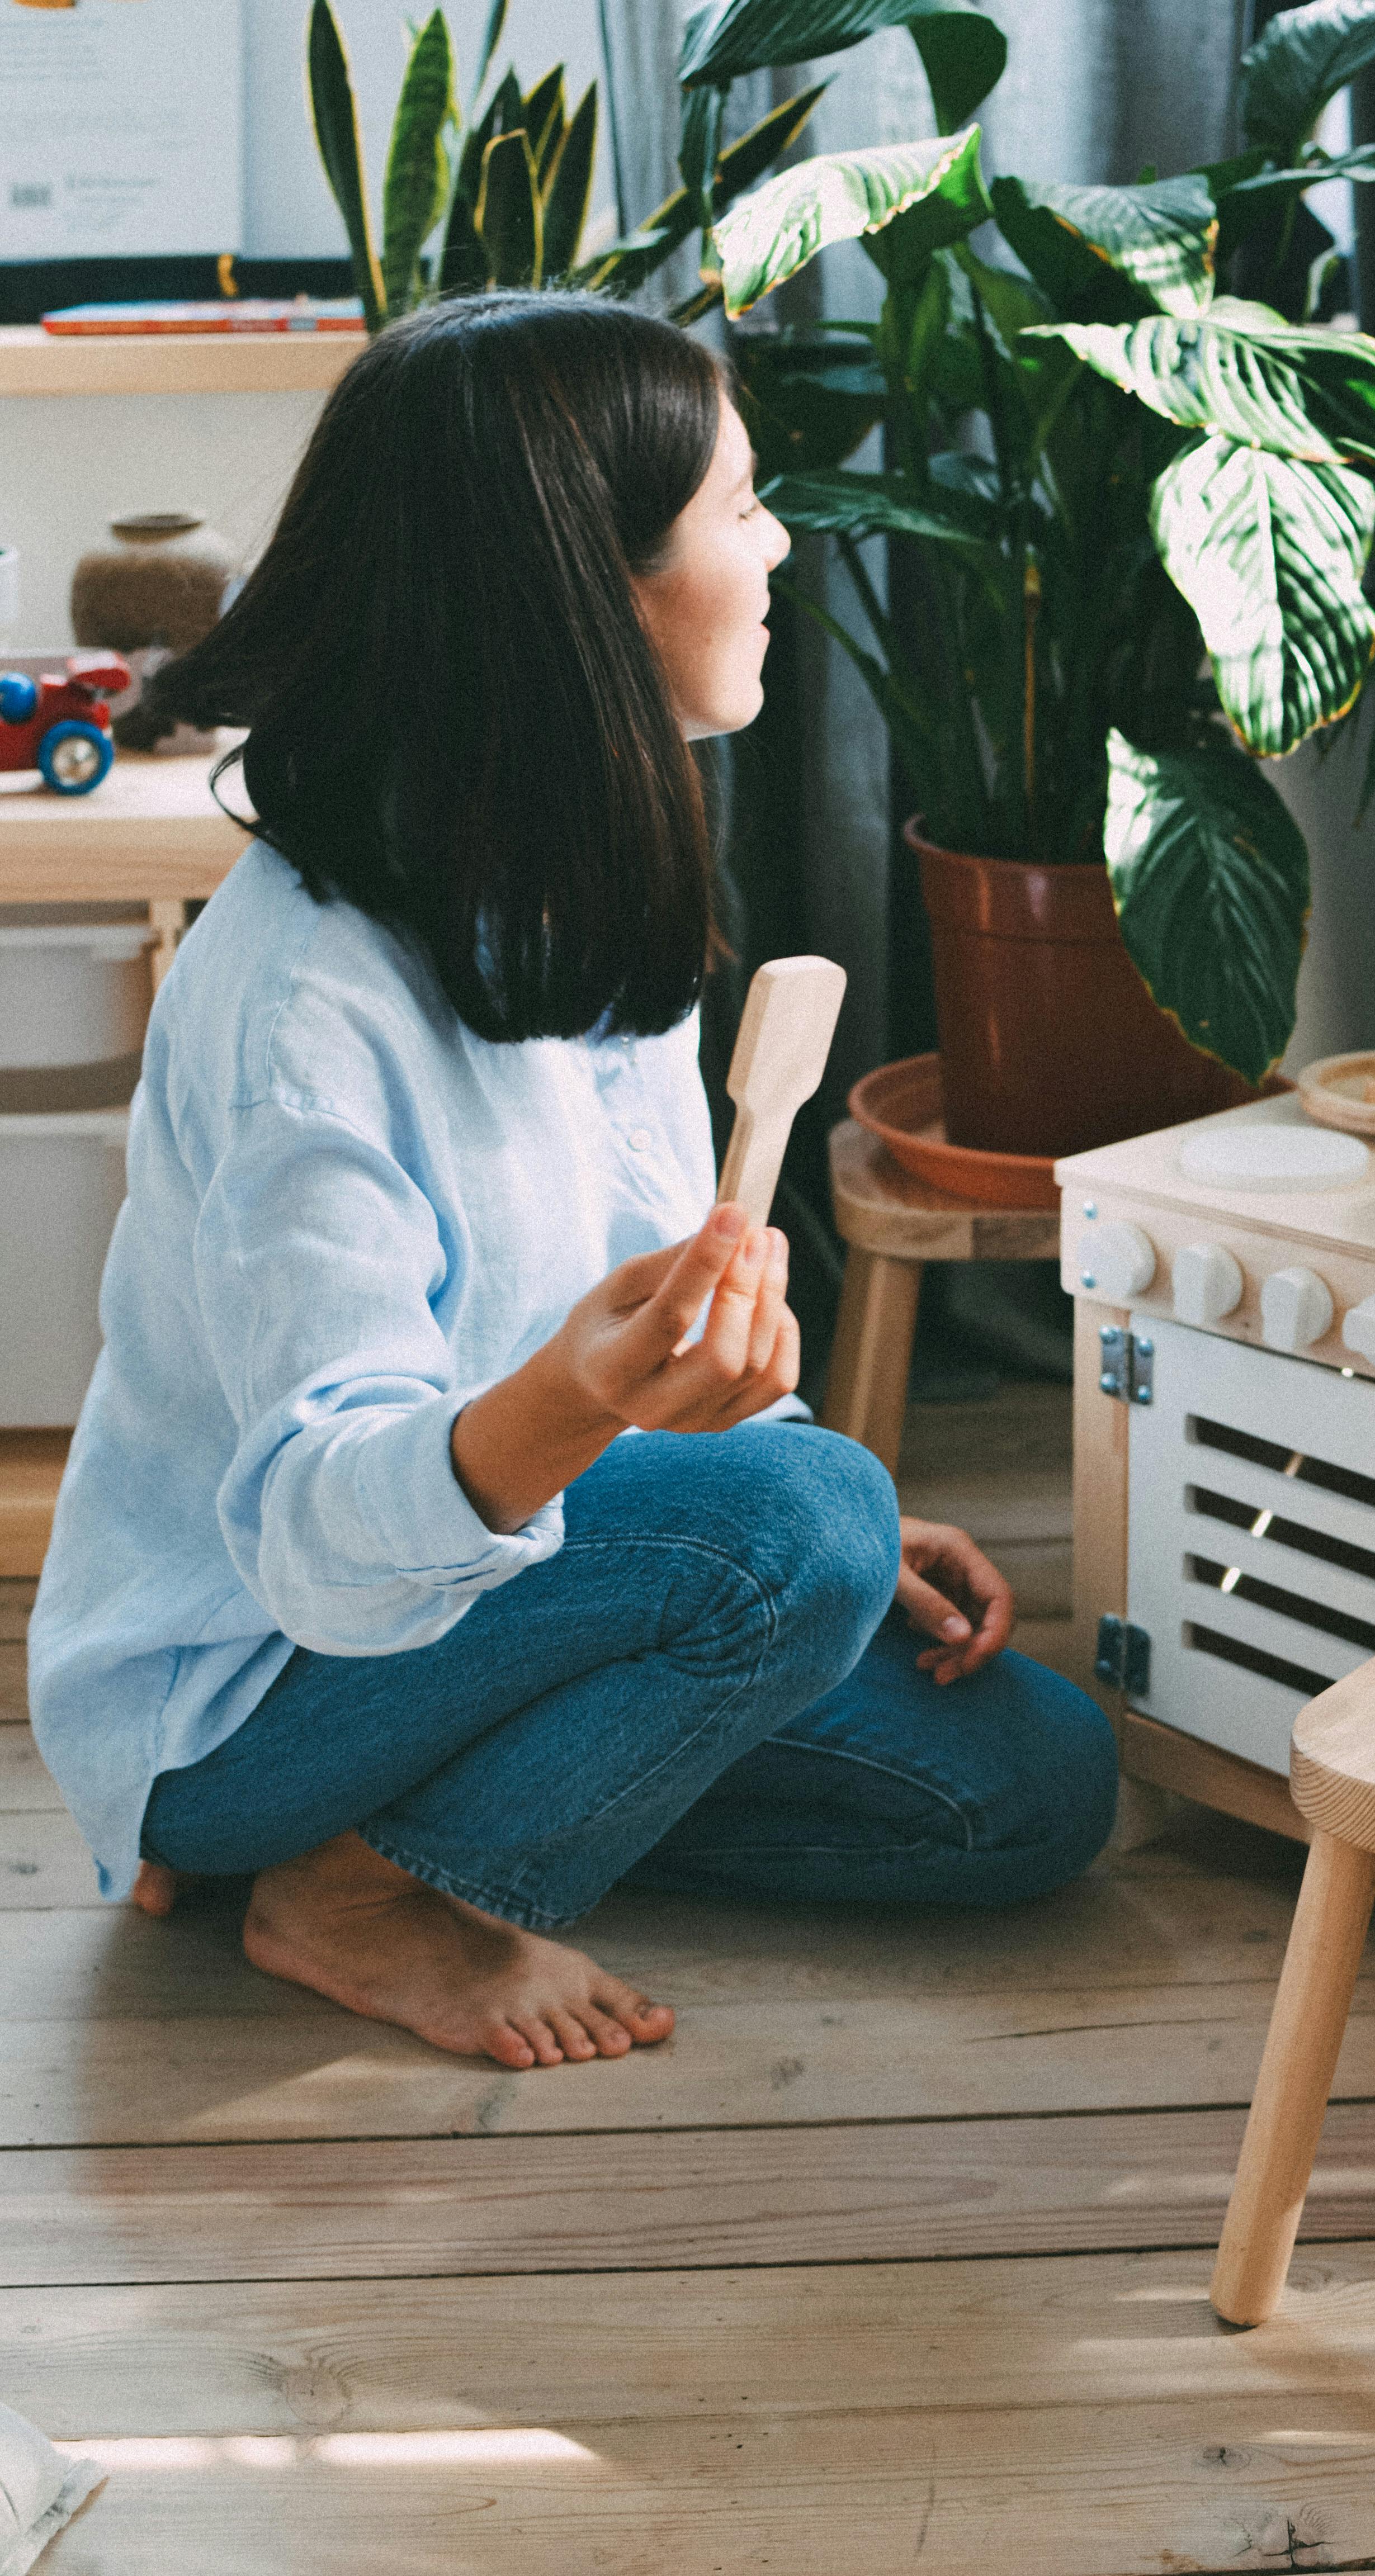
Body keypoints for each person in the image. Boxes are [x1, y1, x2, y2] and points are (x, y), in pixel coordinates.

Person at [27, 292, 1118, 2075]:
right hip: (256, 1676)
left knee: (1035, 1780)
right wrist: (682, 1476)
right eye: (741, 506)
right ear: (586, 588)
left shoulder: (572, 879)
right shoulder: (309, 991)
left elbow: (630, 1331)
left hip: (495, 1598)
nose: (778, 549)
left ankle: (474, 1802)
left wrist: (739, 1498)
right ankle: (351, 1890)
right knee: (801, 1534)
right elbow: (310, 1528)